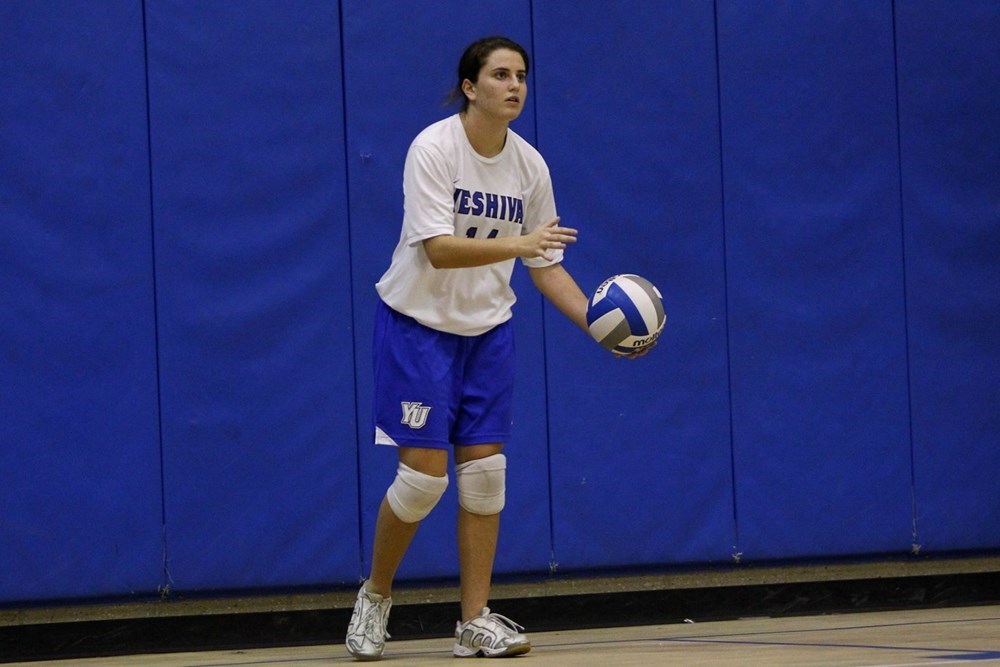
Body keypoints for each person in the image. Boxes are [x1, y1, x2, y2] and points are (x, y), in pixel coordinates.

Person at [345, 35, 641, 661]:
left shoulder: (530, 165)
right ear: (471, 87)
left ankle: (473, 620)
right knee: (423, 483)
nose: (515, 86)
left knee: (485, 478)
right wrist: (520, 244)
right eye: (501, 75)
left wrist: (599, 327)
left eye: (522, 76)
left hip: (487, 331)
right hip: (417, 325)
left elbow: (548, 266)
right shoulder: (434, 147)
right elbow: (438, 249)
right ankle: (375, 595)